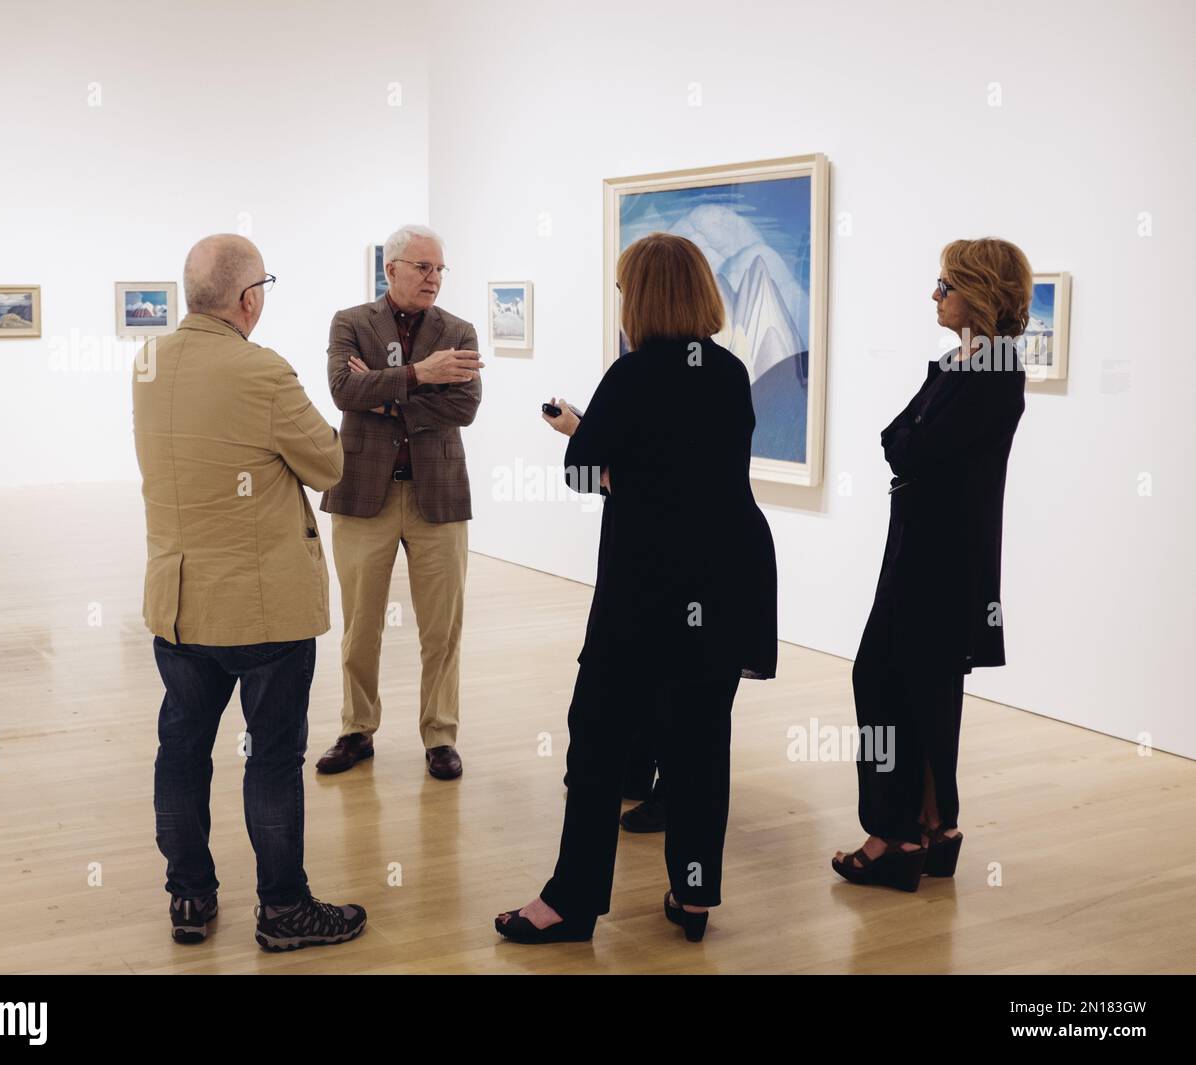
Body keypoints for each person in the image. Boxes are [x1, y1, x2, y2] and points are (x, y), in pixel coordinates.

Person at [495, 233, 778, 944]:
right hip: (726, 578)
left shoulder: (633, 374)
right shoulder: (728, 371)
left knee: (597, 741)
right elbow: (697, 474)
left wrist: (584, 435)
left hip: (646, 586)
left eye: (625, 289)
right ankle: (694, 895)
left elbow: (587, 472)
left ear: (642, 297)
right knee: (700, 743)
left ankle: (572, 899)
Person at [134, 234, 367, 951]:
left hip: (177, 602)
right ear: (249, 298)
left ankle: (190, 898)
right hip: (263, 609)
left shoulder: (147, 361)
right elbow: (328, 464)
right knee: (270, 757)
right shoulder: (262, 371)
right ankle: (283, 909)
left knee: (181, 750)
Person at [832, 238, 1030, 892]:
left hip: (940, 557)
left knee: (885, 680)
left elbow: (907, 447)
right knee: (924, 686)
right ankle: (933, 825)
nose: (935, 294)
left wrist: (907, 439)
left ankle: (891, 835)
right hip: (930, 546)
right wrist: (907, 438)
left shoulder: (991, 369)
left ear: (981, 291)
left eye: (946, 284)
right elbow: (902, 436)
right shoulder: (962, 361)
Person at [314, 224, 483, 781]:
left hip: (437, 495)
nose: (433, 278)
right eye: (423, 268)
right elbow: (343, 390)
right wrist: (420, 375)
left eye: (439, 269)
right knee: (361, 624)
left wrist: (385, 394)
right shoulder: (351, 322)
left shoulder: (459, 330)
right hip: (366, 494)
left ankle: (440, 734)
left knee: (443, 626)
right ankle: (356, 729)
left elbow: (464, 408)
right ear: (391, 270)